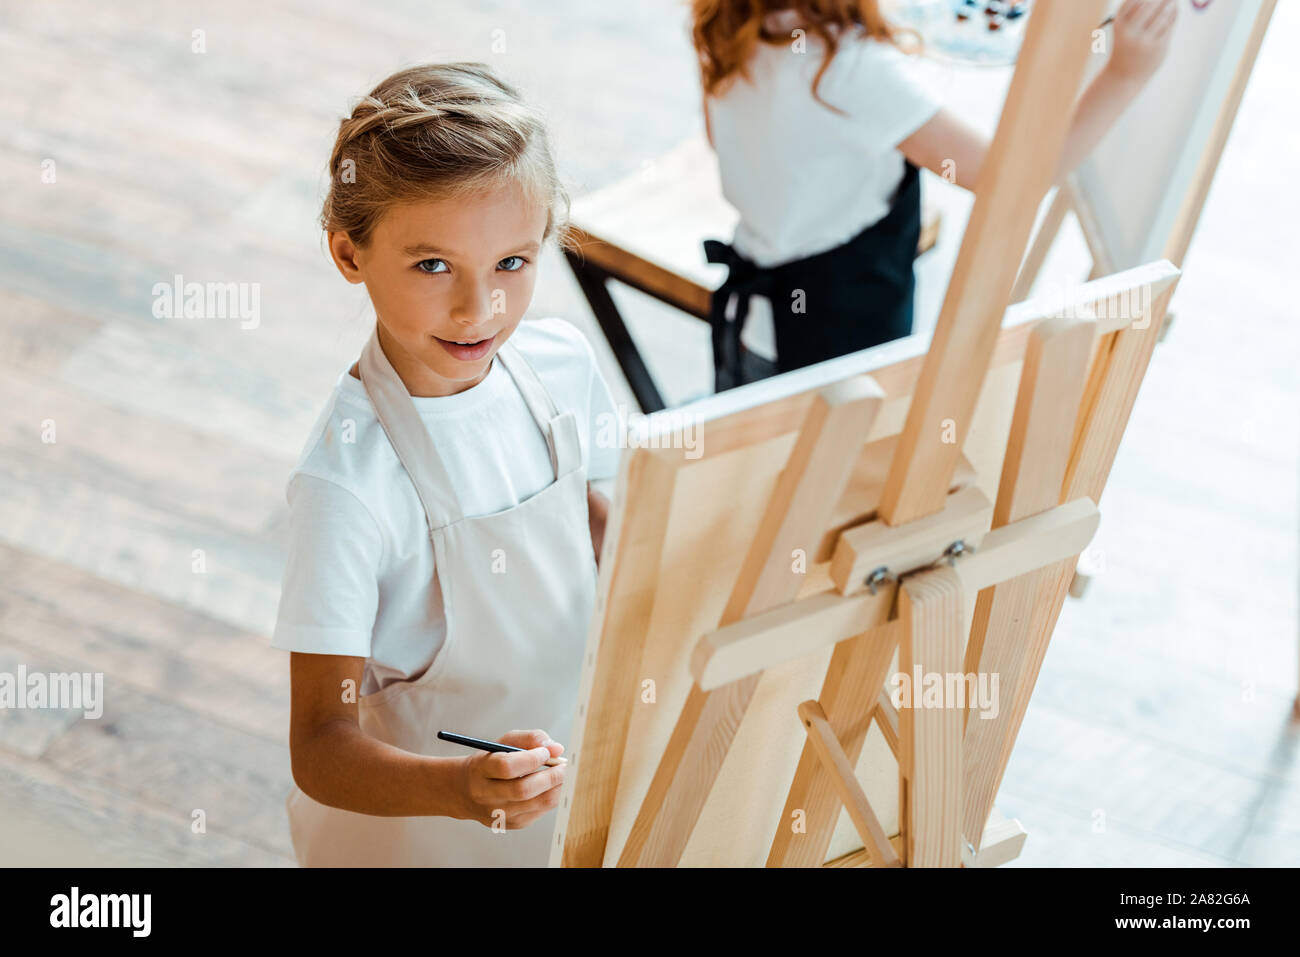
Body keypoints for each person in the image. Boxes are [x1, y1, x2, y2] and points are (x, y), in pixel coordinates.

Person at [271, 62, 621, 866]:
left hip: (563, 800)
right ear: (349, 252)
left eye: (512, 263)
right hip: (418, 838)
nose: (480, 309)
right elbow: (320, 744)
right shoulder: (345, 485)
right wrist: (460, 789)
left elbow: (592, 524)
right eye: (434, 266)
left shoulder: (562, 363)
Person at [696, 0, 1178, 390]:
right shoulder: (849, 68)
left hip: (753, 333)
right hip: (833, 355)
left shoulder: (725, 24)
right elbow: (1007, 182)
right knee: (822, 496)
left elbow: (724, 138)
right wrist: (1124, 75)